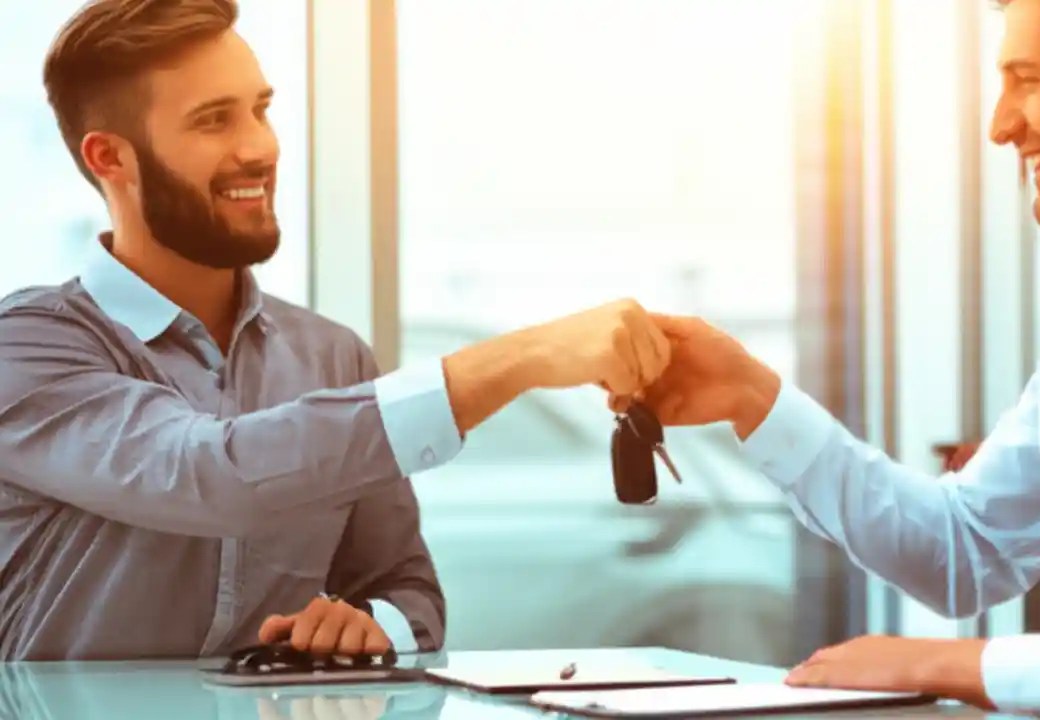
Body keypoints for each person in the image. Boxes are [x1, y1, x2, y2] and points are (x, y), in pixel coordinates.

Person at [629, 0, 1040, 717]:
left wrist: (947, 665)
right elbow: (964, 547)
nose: (1001, 125)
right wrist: (753, 399)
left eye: (1027, 79)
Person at [0, 0, 670, 661]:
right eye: (213, 120)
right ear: (109, 158)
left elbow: (408, 592)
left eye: (260, 110)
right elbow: (211, 474)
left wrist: (372, 627)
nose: (259, 147)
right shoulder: (30, 347)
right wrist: (523, 358)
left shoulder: (332, 355)